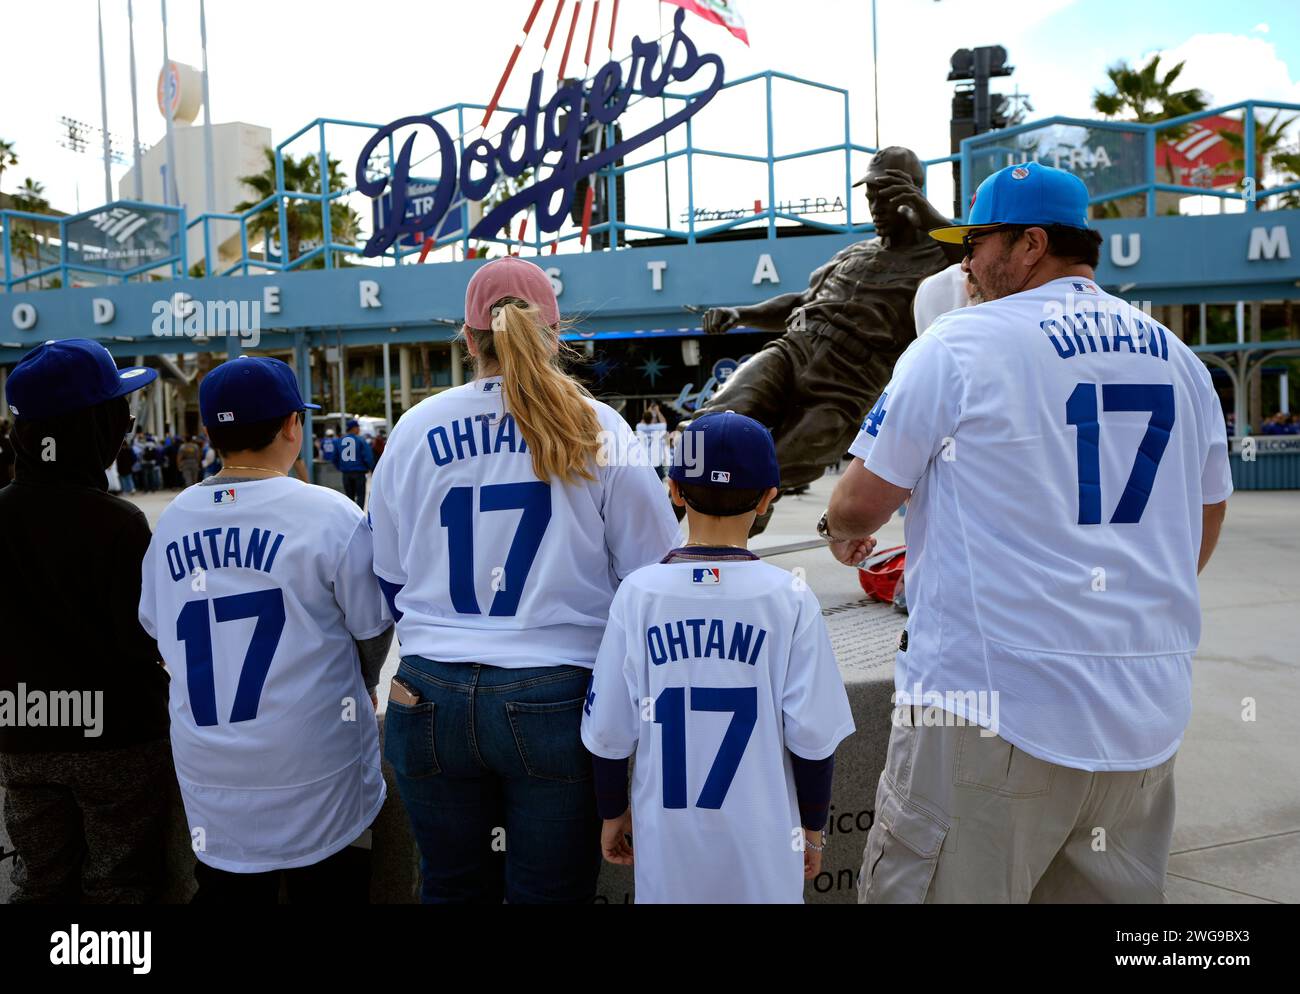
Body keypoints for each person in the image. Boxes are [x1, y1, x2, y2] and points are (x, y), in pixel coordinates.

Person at [822, 161, 1232, 903]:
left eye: (978, 242)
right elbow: (1202, 523)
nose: (967, 261)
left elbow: (857, 504)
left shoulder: (959, 344)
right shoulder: (1181, 360)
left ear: (1031, 244)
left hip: (991, 717)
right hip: (1143, 722)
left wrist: (835, 526)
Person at [369, 256, 680, 904]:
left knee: (452, 889)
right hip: (554, 697)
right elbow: (652, 577)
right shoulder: (598, 426)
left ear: (467, 338)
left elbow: (390, 575)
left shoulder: (415, 428)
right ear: (555, 334)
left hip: (427, 696)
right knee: (550, 893)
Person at [137, 355, 394, 904]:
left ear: (209, 433)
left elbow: (159, 633)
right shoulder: (330, 513)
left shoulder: (175, 517)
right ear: (291, 425)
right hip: (315, 765)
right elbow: (372, 629)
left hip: (211, 773)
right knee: (330, 886)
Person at [582, 412, 855, 903]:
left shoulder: (638, 595)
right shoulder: (790, 598)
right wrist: (812, 829)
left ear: (675, 490)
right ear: (770, 497)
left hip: (670, 854)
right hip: (763, 856)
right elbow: (813, 739)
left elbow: (608, 733)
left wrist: (611, 810)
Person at [696, 146, 959, 519]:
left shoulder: (940, 260)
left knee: (769, 469)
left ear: (912, 196)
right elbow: (801, 301)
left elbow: (974, 256)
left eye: (885, 195)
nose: (875, 205)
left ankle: (729, 545)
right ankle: (656, 534)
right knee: (707, 430)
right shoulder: (853, 253)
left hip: (848, 384)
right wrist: (740, 313)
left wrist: (927, 214)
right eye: (870, 195)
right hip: (794, 350)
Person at [0, 339, 172, 903]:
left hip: (20, 730)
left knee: (38, 879)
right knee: (120, 882)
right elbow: (143, 637)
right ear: (95, 428)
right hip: (116, 735)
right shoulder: (119, 523)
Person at [336, 419, 375, 509]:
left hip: (346, 473)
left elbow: (334, 457)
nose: (359, 429)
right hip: (359, 473)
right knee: (360, 497)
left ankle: (350, 519)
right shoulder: (360, 440)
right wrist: (371, 468)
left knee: (349, 499)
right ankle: (359, 518)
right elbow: (368, 456)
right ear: (354, 428)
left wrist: (341, 467)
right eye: (358, 427)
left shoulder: (339, 440)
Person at [635, 408, 668, 479]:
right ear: (652, 419)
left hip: (644, 462)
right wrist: (658, 411)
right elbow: (664, 422)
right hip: (657, 461)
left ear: (643, 419)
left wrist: (648, 410)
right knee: (659, 485)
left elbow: (643, 421)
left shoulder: (639, 427)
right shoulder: (658, 427)